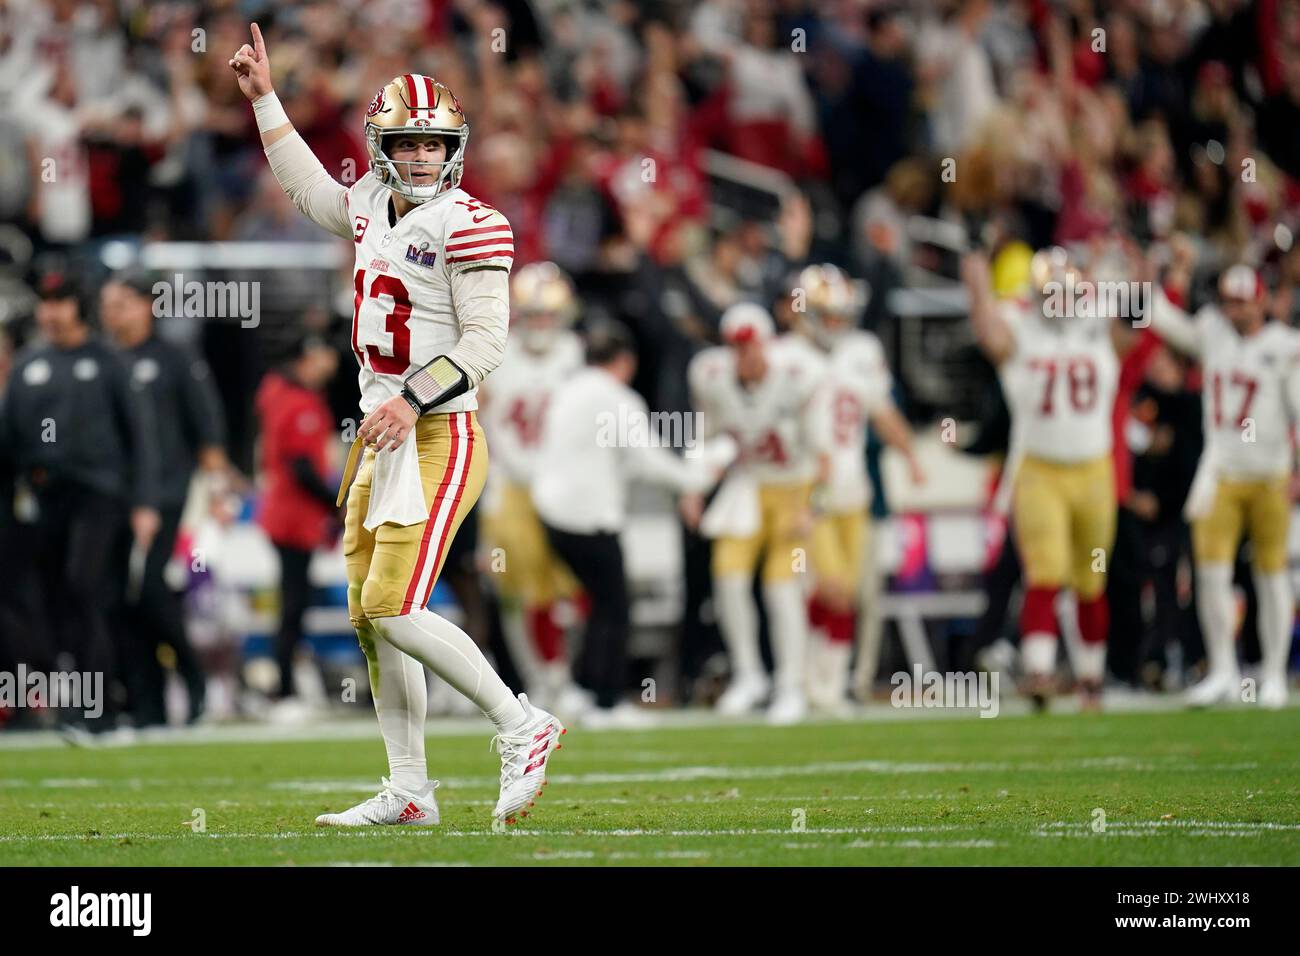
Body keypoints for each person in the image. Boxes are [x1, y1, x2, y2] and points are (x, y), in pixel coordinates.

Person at [231, 23, 563, 827]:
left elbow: (487, 343)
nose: (421, 157)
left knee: (393, 603)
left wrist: (411, 400)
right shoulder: (373, 203)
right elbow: (313, 193)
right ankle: (410, 788)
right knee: (371, 617)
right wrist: (267, 100)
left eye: (434, 143)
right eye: (408, 142)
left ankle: (523, 724)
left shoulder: (472, 222)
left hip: (439, 430)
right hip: (384, 435)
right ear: (383, 146)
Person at [532, 322, 720, 726]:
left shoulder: (569, 389)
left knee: (602, 603)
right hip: (588, 517)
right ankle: (606, 700)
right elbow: (647, 459)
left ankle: (583, 689)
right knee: (614, 607)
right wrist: (696, 478)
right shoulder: (616, 398)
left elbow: (626, 459)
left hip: (552, 513)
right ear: (625, 362)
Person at [0, 273, 159, 731]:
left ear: (76, 306)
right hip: (46, 499)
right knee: (53, 599)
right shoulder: (29, 365)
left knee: (83, 585)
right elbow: (10, 440)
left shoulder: (107, 361)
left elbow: (140, 435)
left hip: (100, 494)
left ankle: (101, 706)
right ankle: (78, 702)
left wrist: (145, 501)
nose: (51, 312)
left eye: (60, 301)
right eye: (45, 303)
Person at [963, 248, 1120, 710]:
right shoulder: (1021, 324)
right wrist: (976, 283)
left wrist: (1138, 275)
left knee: (1092, 578)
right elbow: (990, 334)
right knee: (1044, 572)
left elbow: (1136, 325)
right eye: (1049, 293)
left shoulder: (1101, 319)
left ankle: (1091, 678)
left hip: (1094, 469)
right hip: (1039, 469)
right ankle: (1039, 671)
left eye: (1064, 293)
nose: (1058, 302)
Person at [1149, 264, 1300, 709]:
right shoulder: (1212, 332)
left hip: (1270, 474)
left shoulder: (1285, 345)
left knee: (1272, 576)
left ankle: (1272, 674)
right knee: (1210, 576)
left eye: (1242, 300)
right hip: (1220, 473)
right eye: (1229, 300)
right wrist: (1143, 281)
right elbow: (1165, 322)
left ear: (1261, 301)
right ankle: (1222, 671)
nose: (1234, 309)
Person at [687, 303, 830, 724]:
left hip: (792, 489)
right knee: (728, 579)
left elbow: (824, 458)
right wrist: (694, 488)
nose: (744, 357)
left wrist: (812, 508)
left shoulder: (798, 379)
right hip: (746, 488)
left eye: (751, 348)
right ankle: (750, 676)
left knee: (781, 589)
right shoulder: (714, 379)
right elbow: (705, 435)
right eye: (737, 348)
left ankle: (791, 685)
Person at [791, 264, 924, 714]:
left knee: (846, 590)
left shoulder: (862, 350)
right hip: (810, 484)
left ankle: (828, 682)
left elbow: (882, 411)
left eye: (840, 314)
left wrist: (911, 455)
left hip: (854, 486)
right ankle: (809, 682)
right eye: (826, 314)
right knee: (827, 585)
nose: (835, 323)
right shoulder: (787, 355)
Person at [99, 272, 230, 726]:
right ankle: (147, 700)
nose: (111, 313)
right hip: (117, 497)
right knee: (122, 599)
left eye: (120, 303)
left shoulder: (174, 359)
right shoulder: (104, 361)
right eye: (107, 304)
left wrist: (217, 494)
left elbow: (207, 427)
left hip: (171, 495)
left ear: (144, 306)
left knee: (154, 590)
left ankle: (194, 679)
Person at [478, 261, 586, 707]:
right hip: (509, 486)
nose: (542, 324)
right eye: (534, 314)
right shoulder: (494, 353)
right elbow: (482, 422)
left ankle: (561, 675)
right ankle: (534, 680)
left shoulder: (573, 353)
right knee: (519, 589)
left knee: (568, 587)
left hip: (560, 484)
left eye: (549, 315)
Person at [253, 334, 339, 703]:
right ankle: (284, 686)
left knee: (293, 601)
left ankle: (284, 682)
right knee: (293, 603)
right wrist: (338, 502)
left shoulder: (275, 391)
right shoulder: (299, 402)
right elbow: (303, 468)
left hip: (282, 511)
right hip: (294, 515)